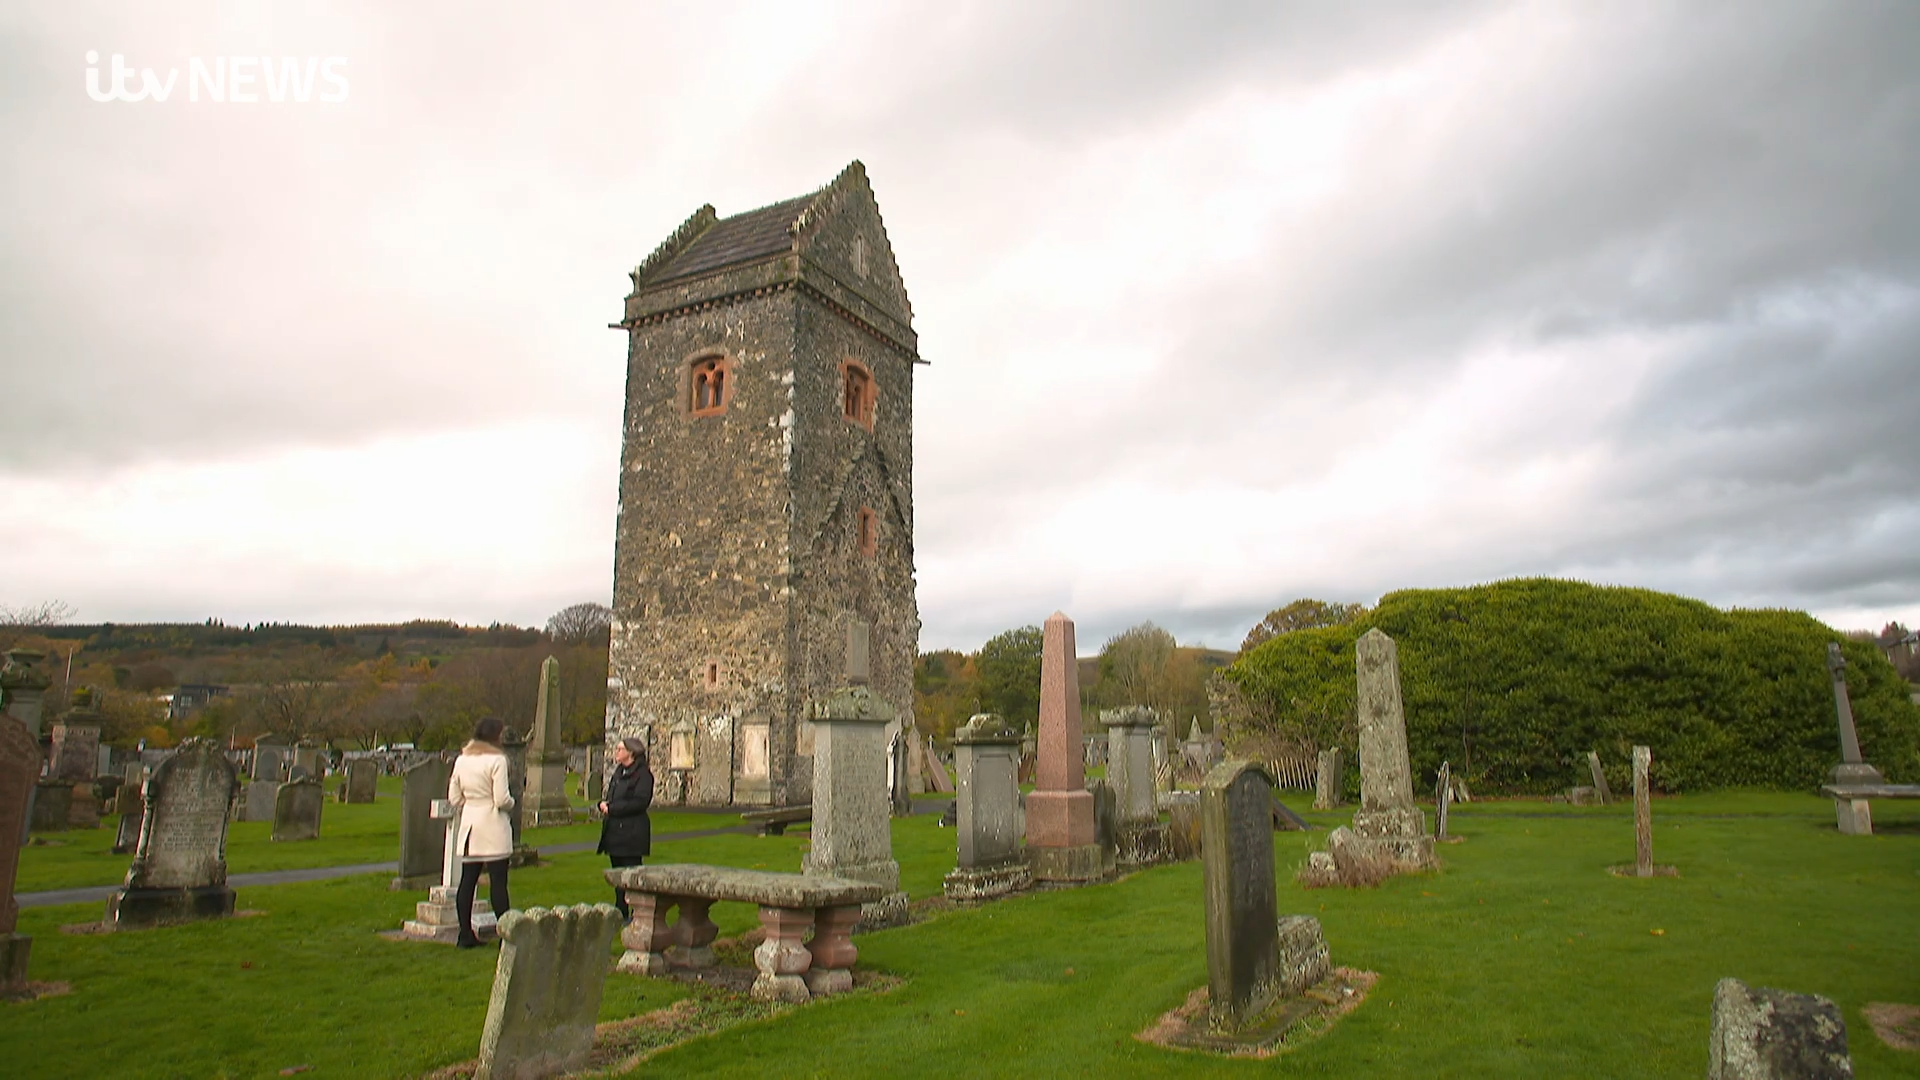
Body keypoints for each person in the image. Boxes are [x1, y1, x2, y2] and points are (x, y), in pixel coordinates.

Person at [448, 716, 514, 948]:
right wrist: (511, 805)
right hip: (493, 823)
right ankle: (506, 934)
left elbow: (454, 797)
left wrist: (471, 802)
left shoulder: (462, 759)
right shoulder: (498, 760)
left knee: (468, 881)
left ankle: (464, 934)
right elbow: (501, 798)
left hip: (471, 824)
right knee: (498, 882)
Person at [597, 736, 654, 919]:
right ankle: (620, 912)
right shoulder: (619, 772)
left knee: (632, 876)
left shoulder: (643, 775)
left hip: (631, 833)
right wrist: (605, 804)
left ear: (631, 753)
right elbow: (613, 795)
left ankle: (637, 914)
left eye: (620, 749)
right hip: (615, 832)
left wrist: (612, 808)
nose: (616, 752)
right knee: (618, 876)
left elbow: (639, 802)